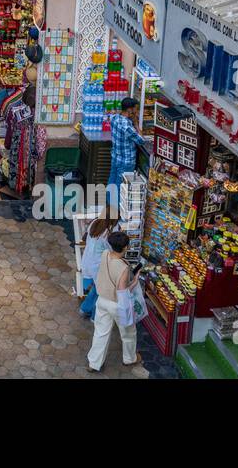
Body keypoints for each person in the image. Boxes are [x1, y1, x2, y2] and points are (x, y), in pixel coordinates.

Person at [86, 231, 142, 372]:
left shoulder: (105, 254)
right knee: (128, 333)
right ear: (125, 248)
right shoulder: (123, 267)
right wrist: (134, 282)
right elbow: (122, 292)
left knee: (100, 333)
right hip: (117, 305)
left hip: (102, 300)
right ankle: (130, 358)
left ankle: (94, 363)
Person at [108, 97, 146, 210]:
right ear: (129, 110)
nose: (136, 112)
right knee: (121, 188)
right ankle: (116, 213)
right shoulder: (127, 126)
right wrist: (136, 124)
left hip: (115, 158)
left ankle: (109, 207)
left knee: (112, 183)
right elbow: (141, 140)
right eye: (135, 109)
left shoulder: (114, 118)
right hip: (126, 162)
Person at [79, 216, 119, 320]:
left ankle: (85, 309)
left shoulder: (94, 223)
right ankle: (94, 316)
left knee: (97, 289)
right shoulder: (106, 234)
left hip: (88, 262)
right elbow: (112, 250)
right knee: (100, 292)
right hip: (98, 266)